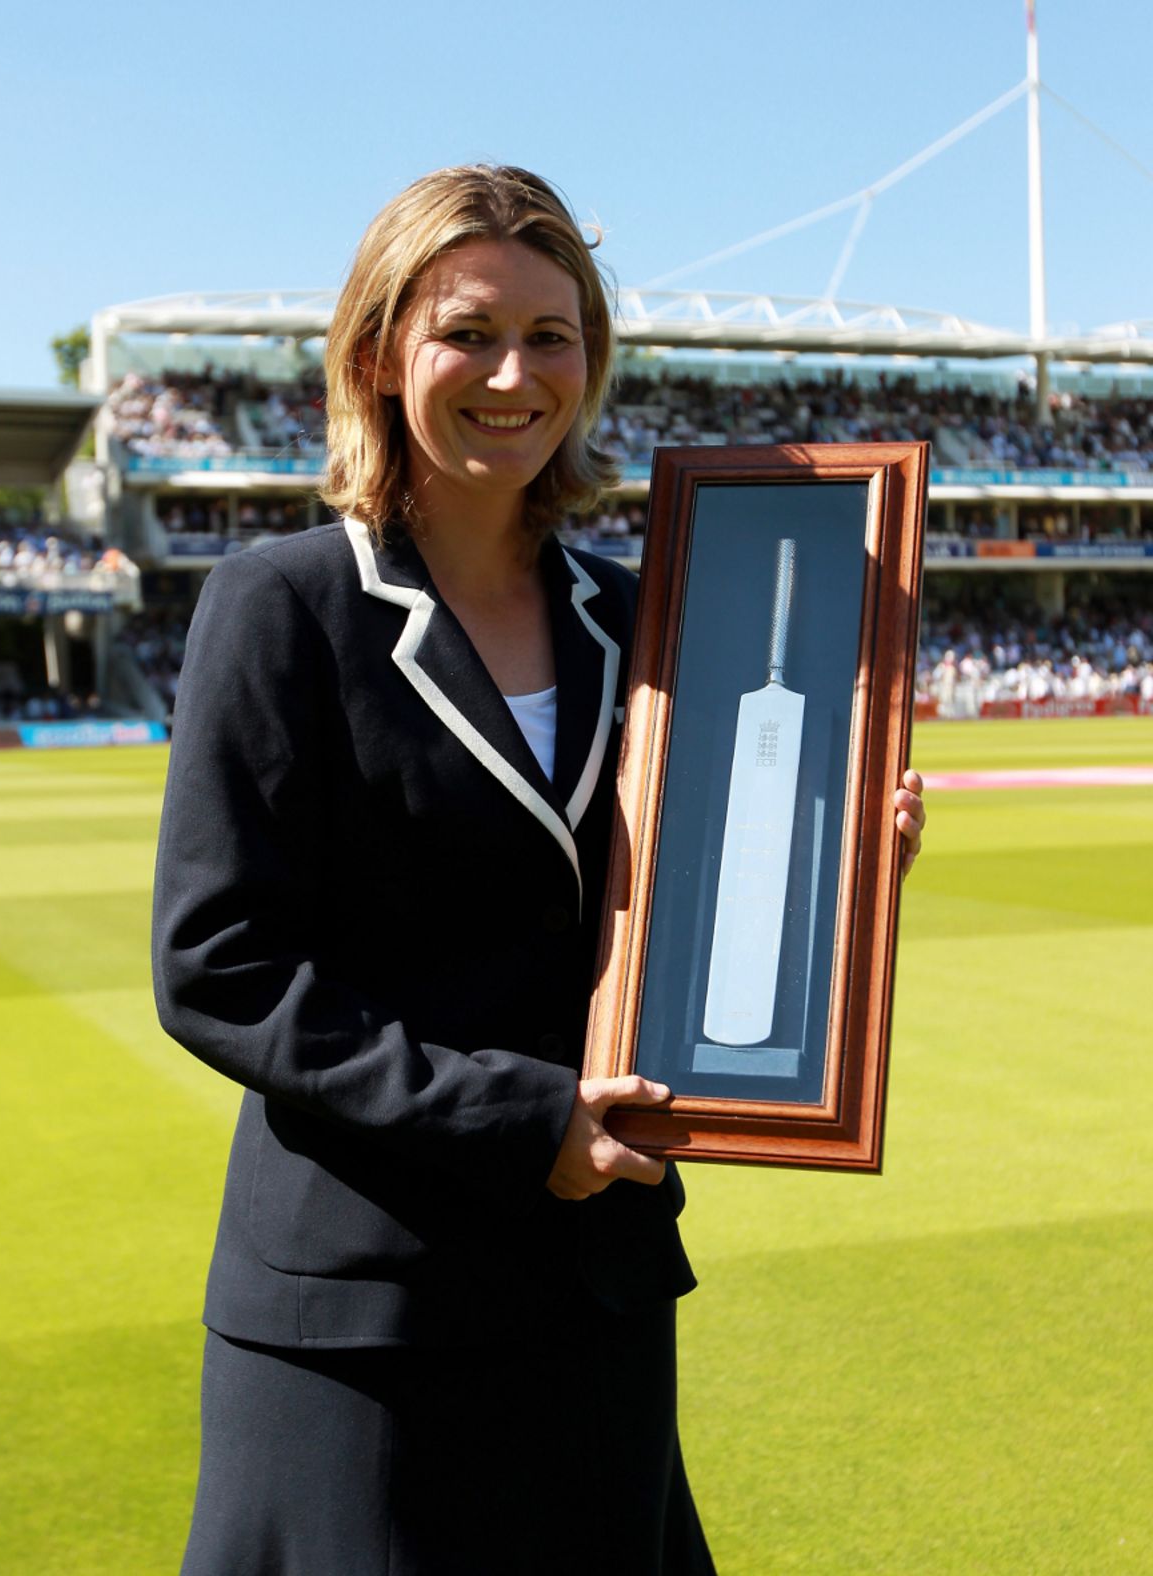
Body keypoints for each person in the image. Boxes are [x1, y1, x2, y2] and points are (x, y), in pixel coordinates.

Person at [152, 163, 925, 1575]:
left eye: (552, 337)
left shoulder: (643, 610)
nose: (514, 374)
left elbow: (673, 910)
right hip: (364, 1318)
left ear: (594, 359)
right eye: (469, 332)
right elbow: (223, 968)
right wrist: (526, 1122)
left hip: (596, 1297)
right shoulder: (285, 605)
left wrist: (835, 879)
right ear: (384, 353)